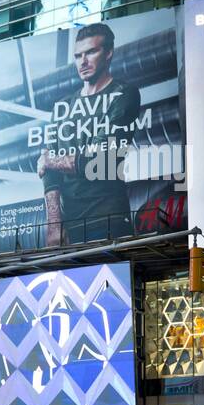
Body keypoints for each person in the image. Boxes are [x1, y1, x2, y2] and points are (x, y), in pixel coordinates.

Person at [37, 23, 141, 247]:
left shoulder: (123, 94)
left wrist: (50, 161)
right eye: (78, 55)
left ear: (108, 53)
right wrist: (54, 224)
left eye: (91, 52)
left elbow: (101, 161)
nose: (83, 62)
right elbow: (49, 173)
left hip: (109, 220)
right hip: (69, 227)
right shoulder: (64, 106)